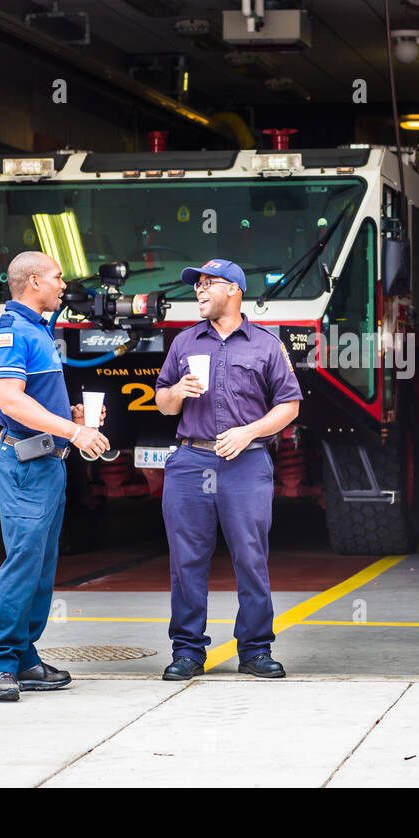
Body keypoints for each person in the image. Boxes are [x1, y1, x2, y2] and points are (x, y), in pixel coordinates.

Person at [154, 258, 302, 680]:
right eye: (196, 285)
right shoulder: (184, 342)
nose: (199, 291)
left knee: (250, 557)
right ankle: (187, 652)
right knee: (186, 560)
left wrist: (248, 433)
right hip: (190, 461)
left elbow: (289, 405)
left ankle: (255, 650)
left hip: (246, 462)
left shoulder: (267, 345)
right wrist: (177, 391)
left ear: (233, 289)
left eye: (208, 284)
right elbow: (163, 403)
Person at [0, 251, 110, 701]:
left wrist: (69, 416)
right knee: (24, 561)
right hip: (25, 463)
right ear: (34, 282)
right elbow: (11, 401)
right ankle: (0, 665)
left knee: (40, 564)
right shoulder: (10, 333)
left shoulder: (38, 329)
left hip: (47, 461)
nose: (63, 285)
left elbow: (34, 401)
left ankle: (24, 657)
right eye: (57, 277)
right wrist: (75, 431)